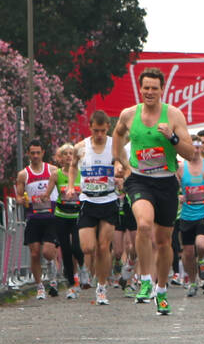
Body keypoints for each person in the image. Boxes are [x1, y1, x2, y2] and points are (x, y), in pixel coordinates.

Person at [112, 67, 195, 315]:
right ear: (141, 89)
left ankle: (161, 290)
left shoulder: (173, 115)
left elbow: (190, 153)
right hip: (139, 180)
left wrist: (172, 138)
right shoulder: (129, 114)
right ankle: (145, 279)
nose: (149, 92)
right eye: (146, 87)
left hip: (167, 182)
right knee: (144, 225)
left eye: (154, 88)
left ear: (162, 90)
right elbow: (117, 134)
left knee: (163, 241)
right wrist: (119, 160)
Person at [73, 111, 120, 306]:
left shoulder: (114, 145)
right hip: (88, 200)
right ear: (90, 128)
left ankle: (101, 287)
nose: (99, 134)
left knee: (103, 247)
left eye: (102, 131)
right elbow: (73, 167)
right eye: (95, 130)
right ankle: (92, 274)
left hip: (108, 199)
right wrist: (70, 185)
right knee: (88, 247)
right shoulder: (81, 147)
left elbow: (122, 163)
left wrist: (119, 171)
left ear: (107, 128)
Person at [15, 139, 60, 299]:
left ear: (43, 153)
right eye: (32, 153)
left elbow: (62, 187)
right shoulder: (23, 174)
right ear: (28, 154)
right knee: (34, 254)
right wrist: (22, 200)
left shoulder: (53, 170)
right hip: (33, 217)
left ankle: (53, 278)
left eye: (37, 153)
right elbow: (19, 197)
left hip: (51, 216)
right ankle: (40, 286)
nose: (35, 156)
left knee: (48, 252)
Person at [176, 134, 204, 297]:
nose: (197, 149)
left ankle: (202, 261)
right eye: (193, 146)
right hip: (186, 214)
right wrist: (178, 195)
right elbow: (175, 186)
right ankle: (192, 281)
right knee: (187, 252)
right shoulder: (181, 167)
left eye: (199, 146)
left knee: (201, 245)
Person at [52, 143, 85, 298]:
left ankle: (84, 269)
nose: (68, 156)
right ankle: (72, 284)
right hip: (61, 216)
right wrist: (44, 197)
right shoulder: (56, 175)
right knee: (65, 249)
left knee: (77, 247)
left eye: (71, 153)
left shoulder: (81, 173)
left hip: (77, 216)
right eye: (65, 154)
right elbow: (48, 194)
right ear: (60, 157)